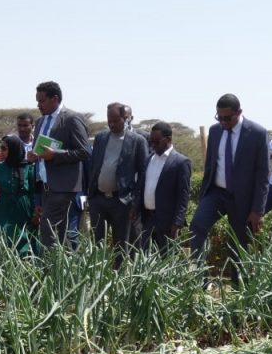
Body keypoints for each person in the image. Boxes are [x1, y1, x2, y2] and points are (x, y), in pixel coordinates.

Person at [189, 94, 270, 275]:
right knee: (197, 226)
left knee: (238, 244)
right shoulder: (215, 131)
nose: (223, 122)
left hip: (242, 198)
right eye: (219, 117)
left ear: (239, 112)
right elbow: (210, 166)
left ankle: (238, 286)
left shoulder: (257, 133)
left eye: (227, 118)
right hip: (216, 193)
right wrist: (203, 197)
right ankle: (199, 279)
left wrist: (258, 210)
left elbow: (263, 174)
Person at [28, 81, 89, 248]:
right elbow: (41, 150)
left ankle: (51, 262)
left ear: (54, 99)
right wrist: (35, 156)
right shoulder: (40, 122)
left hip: (64, 186)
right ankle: (65, 263)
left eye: (42, 101)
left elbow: (84, 151)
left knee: (47, 227)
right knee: (61, 232)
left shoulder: (71, 119)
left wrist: (55, 154)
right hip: (45, 184)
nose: (38, 105)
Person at [86, 102, 148, 257]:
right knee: (97, 246)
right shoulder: (101, 138)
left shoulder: (137, 141)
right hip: (98, 199)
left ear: (125, 118)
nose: (112, 124)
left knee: (121, 246)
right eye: (109, 121)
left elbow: (143, 174)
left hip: (121, 202)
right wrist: (90, 196)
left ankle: (120, 272)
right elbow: (94, 165)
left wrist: (135, 202)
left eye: (115, 120)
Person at [137, 122, 191, 251]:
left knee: (166, 258)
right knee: (146, 257)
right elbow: (142, 185)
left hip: (167, 223)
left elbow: (183, 195)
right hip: (148, 219)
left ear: (168, 139)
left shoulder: (181, 162)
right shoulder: (149, 159)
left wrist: (178, 222)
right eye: (151, 142)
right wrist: (136, 206)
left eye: (157, 142)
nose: (153, 145)